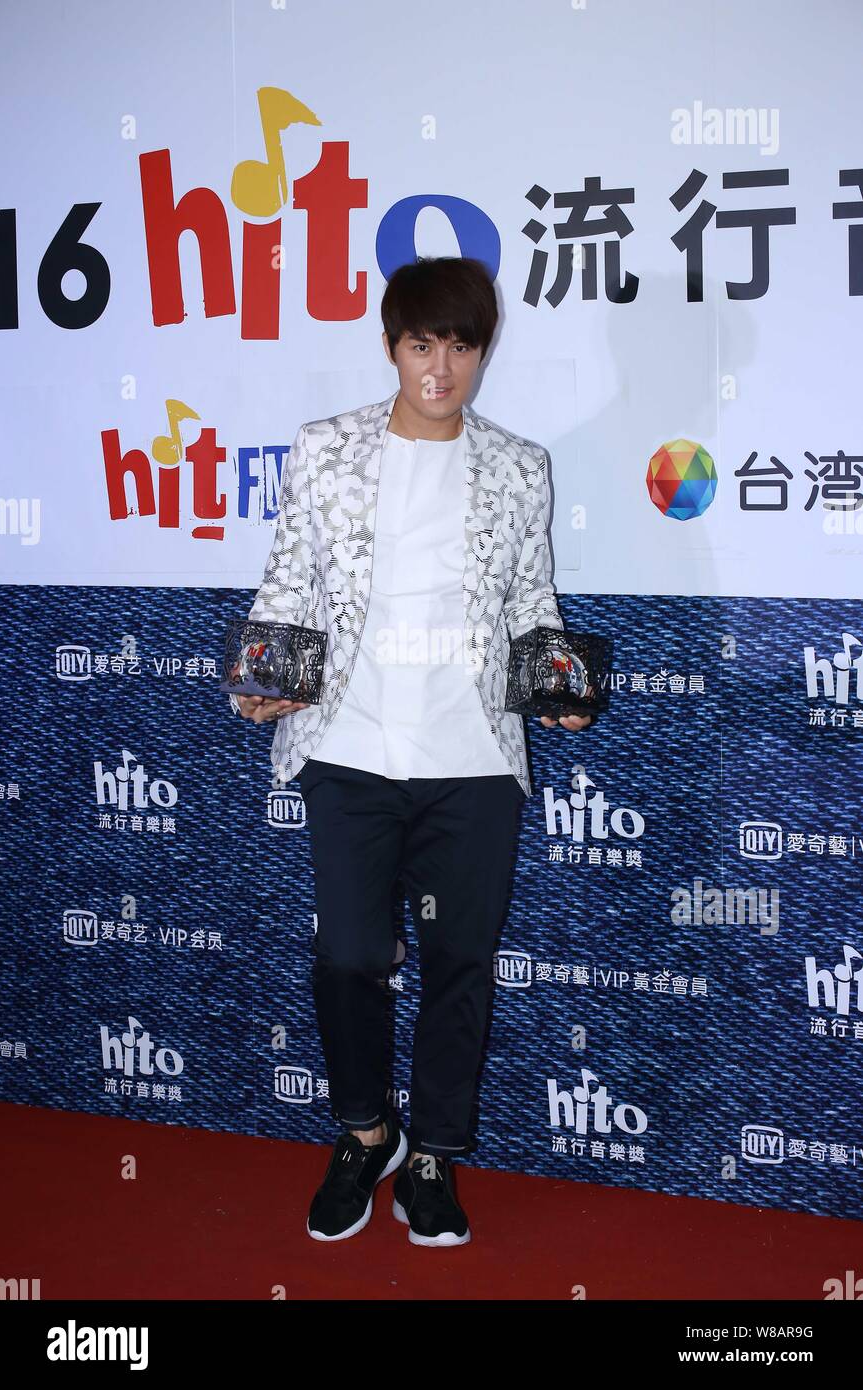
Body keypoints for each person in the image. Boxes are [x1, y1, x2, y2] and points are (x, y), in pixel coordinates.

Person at [232, 256, 593, 1247]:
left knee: (458, 962)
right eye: (421, 343)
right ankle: (364, 1130)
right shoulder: (325, 449)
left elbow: (529, 598)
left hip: (471, 754)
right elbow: (289, 582)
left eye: (461, 345)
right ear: (391, 344)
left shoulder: (520, 466)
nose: (440, 366)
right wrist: (260, 678)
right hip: (348, 744)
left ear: (482, 352)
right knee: (347, 953)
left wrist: (551, 688)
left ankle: (430, 1155)